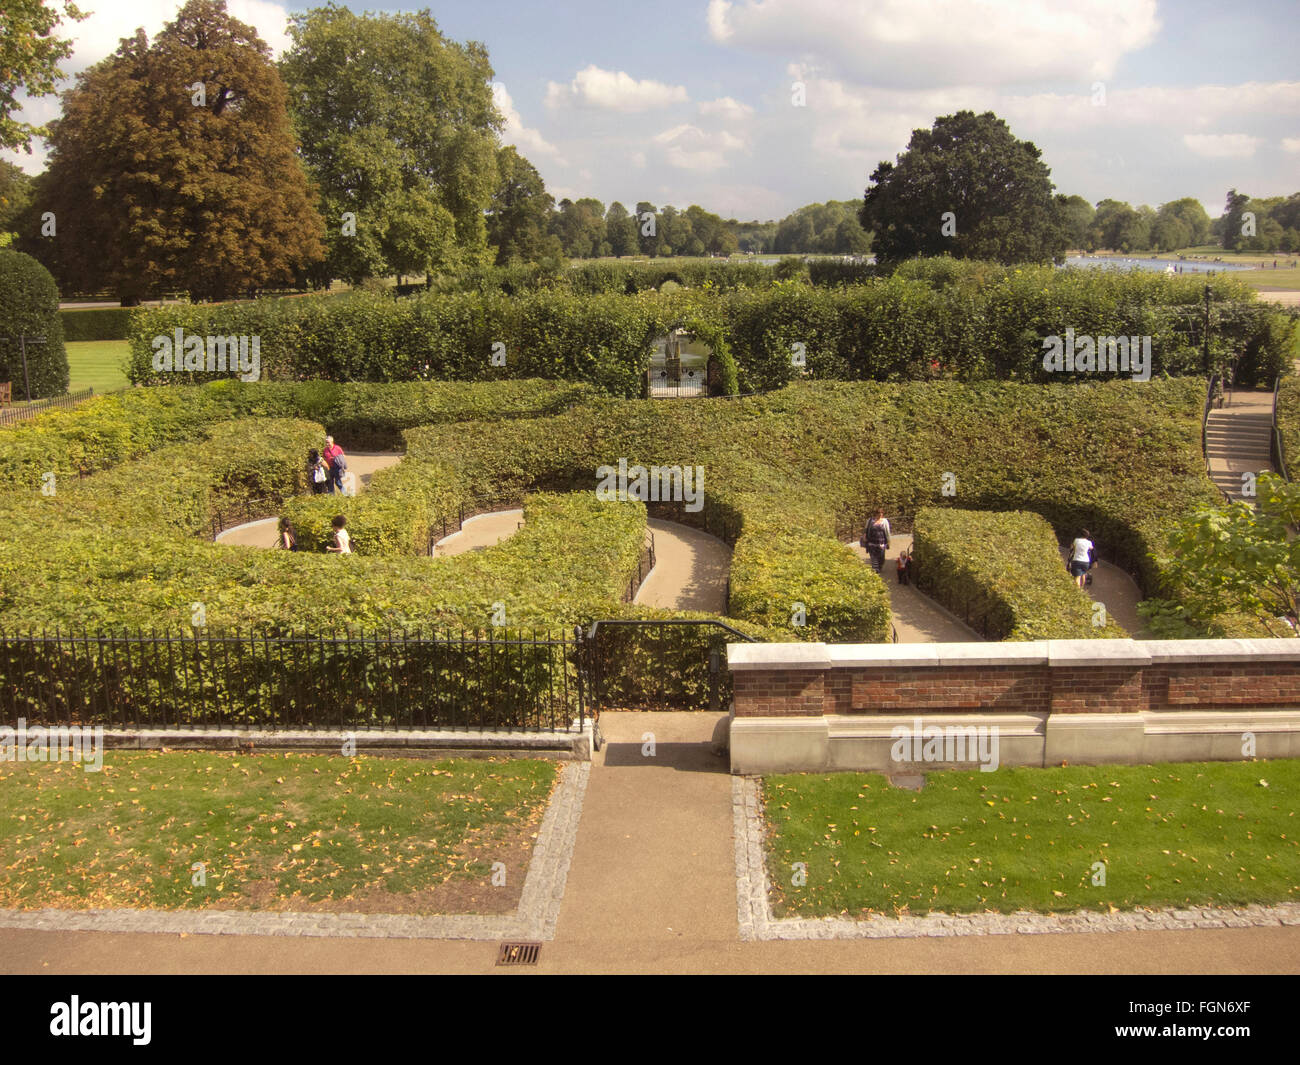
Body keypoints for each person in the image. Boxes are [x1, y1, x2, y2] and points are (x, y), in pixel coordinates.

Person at [862, 508, 891, 574]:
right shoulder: (870, 520)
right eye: (879, 513)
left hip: (881, 543)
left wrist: (889, 541)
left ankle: (879, 567)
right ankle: (876, 571)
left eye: (881, 513)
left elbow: (887, 532)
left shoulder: (885, 521)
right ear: (876, 514)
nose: (880, 515)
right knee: (873, 558)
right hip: (871, 543)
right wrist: (864, 536)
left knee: (881, 558)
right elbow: (865, 530)